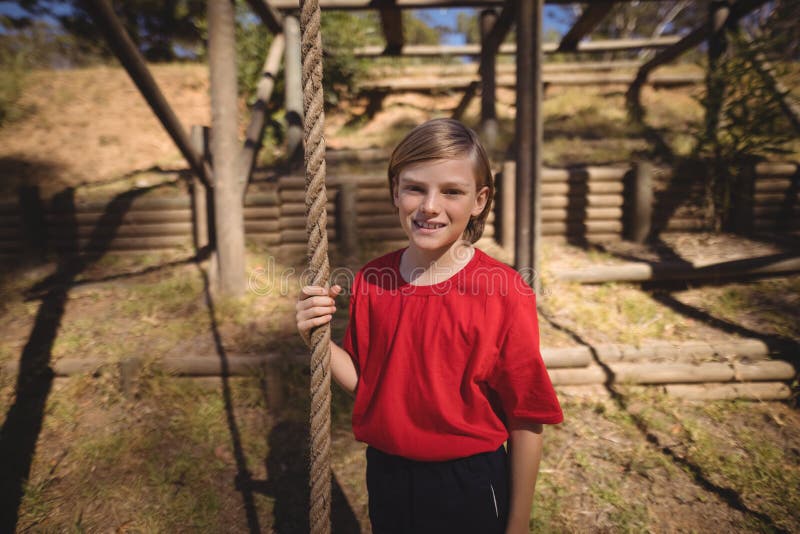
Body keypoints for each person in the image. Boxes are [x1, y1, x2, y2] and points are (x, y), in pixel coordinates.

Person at [296, 118, 563, 534]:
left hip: (469, 482)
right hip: (388, 475)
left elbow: (526, 416)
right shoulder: (372, 280)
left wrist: (518, 522)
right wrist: (317, 341)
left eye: (452, 191)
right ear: (395, 192)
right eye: (416, 188)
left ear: (479, 199)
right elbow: (370, 384)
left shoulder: (504, 292)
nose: (430, 206)